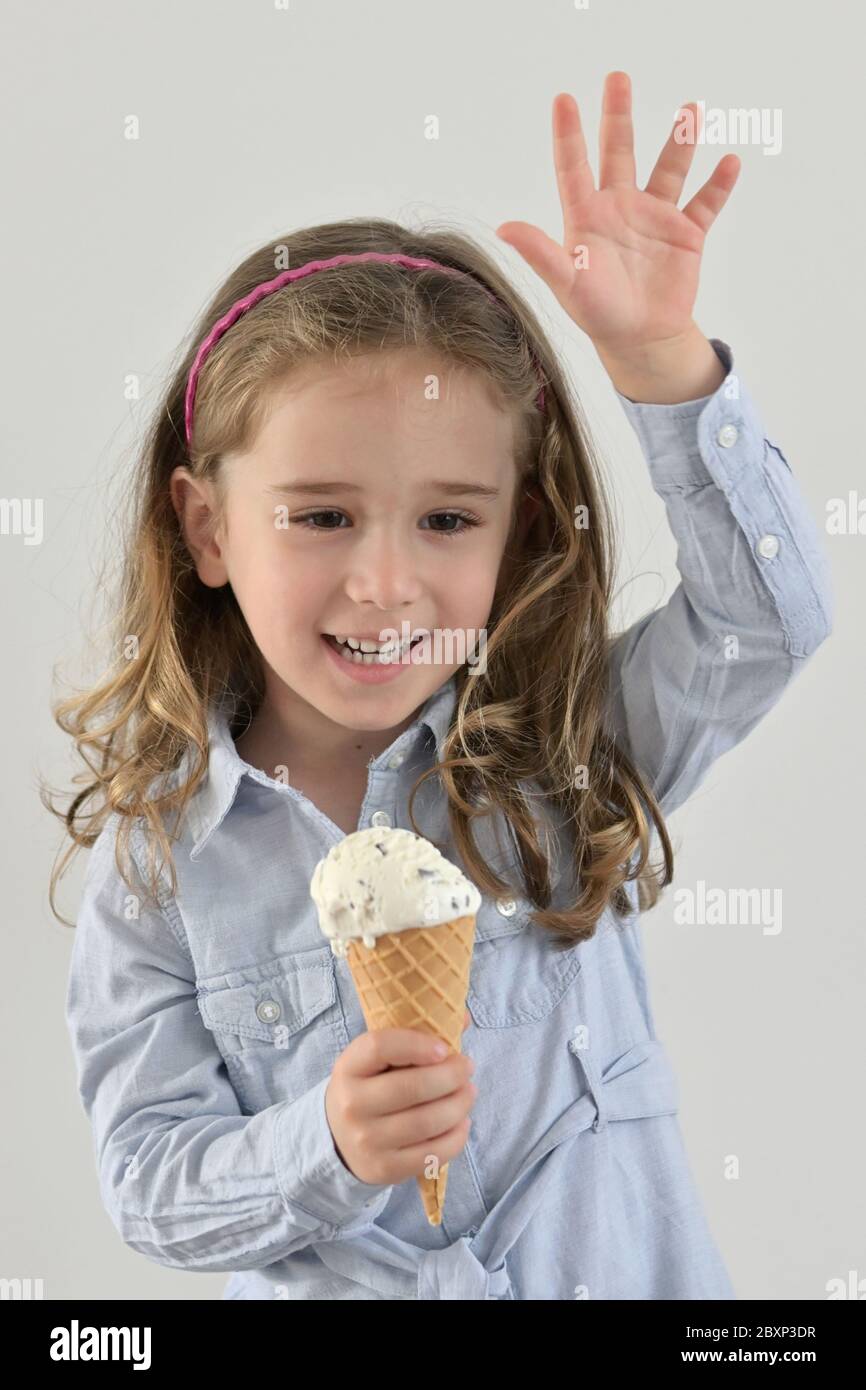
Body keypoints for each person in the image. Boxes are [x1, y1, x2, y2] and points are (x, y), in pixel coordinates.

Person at [51, 73, 833, 1299]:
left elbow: (764, 625)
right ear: (206, 530)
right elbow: (148, 1181)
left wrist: (662, 367)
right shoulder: (161, 867)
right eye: (319, 514)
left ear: (518, 533)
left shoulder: (567, 757)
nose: (387, 585)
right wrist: (325, 1144)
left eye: (446, 520)